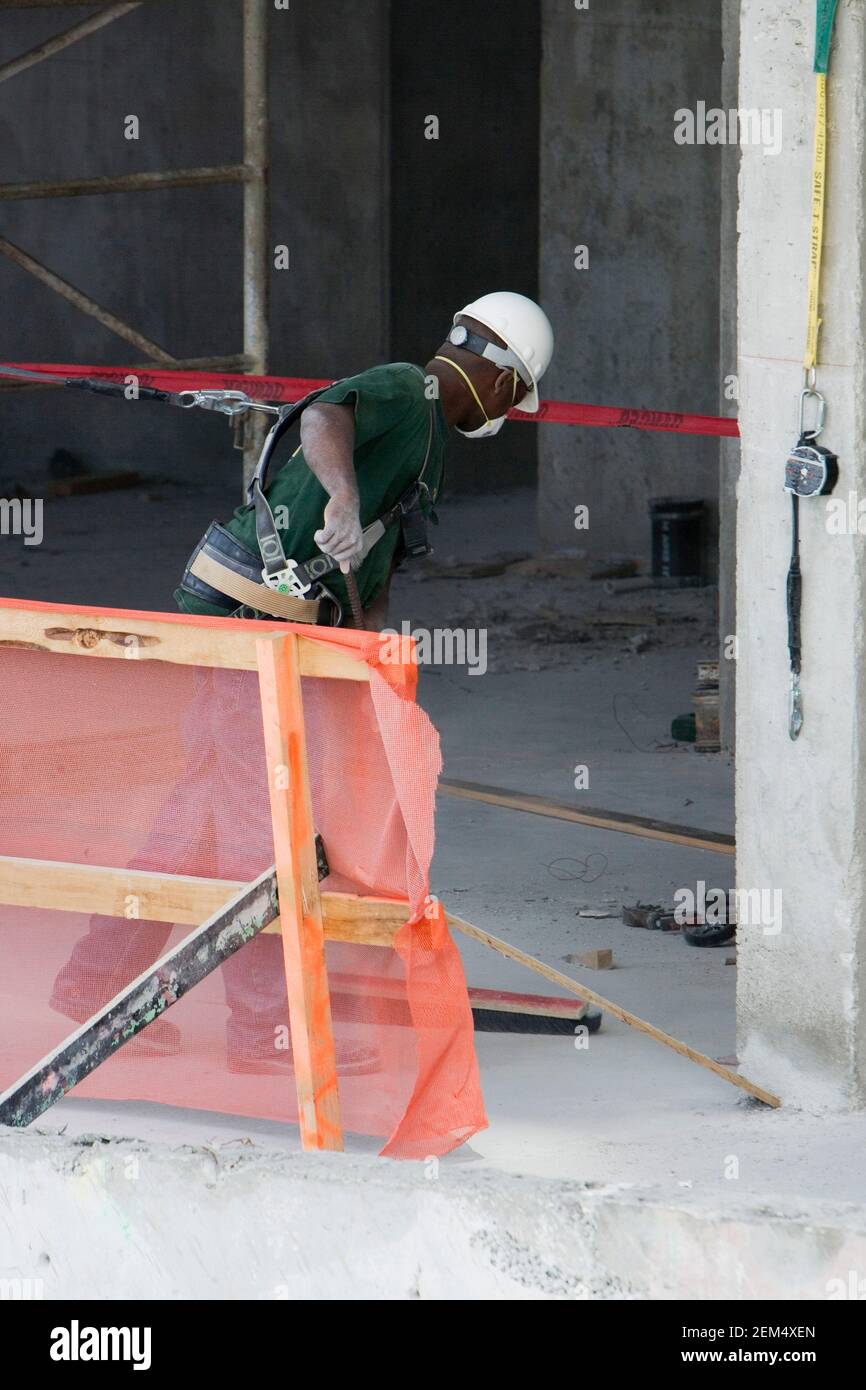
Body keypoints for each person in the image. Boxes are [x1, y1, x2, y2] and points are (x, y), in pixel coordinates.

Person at [50, 292, 555, 1069]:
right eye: (519, 396)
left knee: (205, 813)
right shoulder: (407, 388)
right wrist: (343, 498)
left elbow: (377, 573)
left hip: (273, 625)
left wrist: (365, 668)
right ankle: (263, 1031)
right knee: (268, 830)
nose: (513, 411)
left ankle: (92, 981)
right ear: (501, 379)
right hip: (255, 614)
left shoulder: (431, 450)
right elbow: (325, 416)